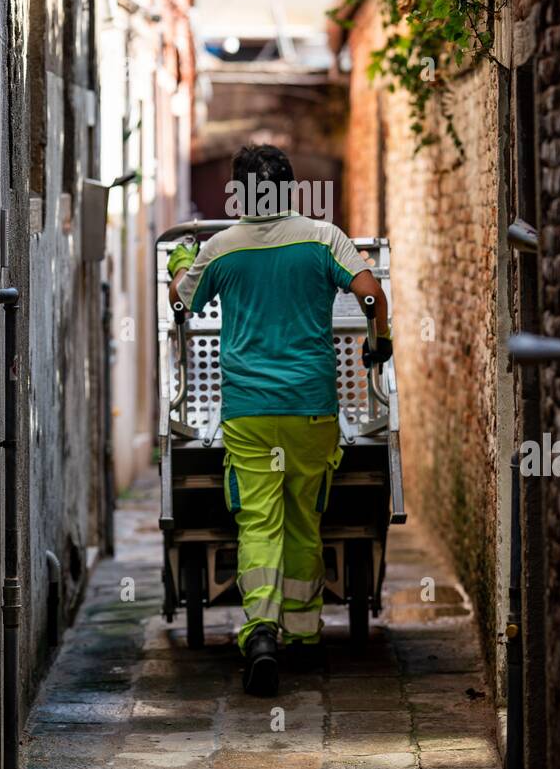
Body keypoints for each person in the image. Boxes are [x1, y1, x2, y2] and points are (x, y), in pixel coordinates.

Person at [167, 144, 392, 696]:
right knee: (304, 519)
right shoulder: (323, 238)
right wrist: (376, 345)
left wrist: (178, 263)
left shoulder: (222, 248)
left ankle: (261, 633)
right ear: (290, 191)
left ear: (239, 195)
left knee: (258, 521)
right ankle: (305, 633)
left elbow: (182, 302)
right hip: (311, 409)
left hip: (249, 413)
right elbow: (370, 295)